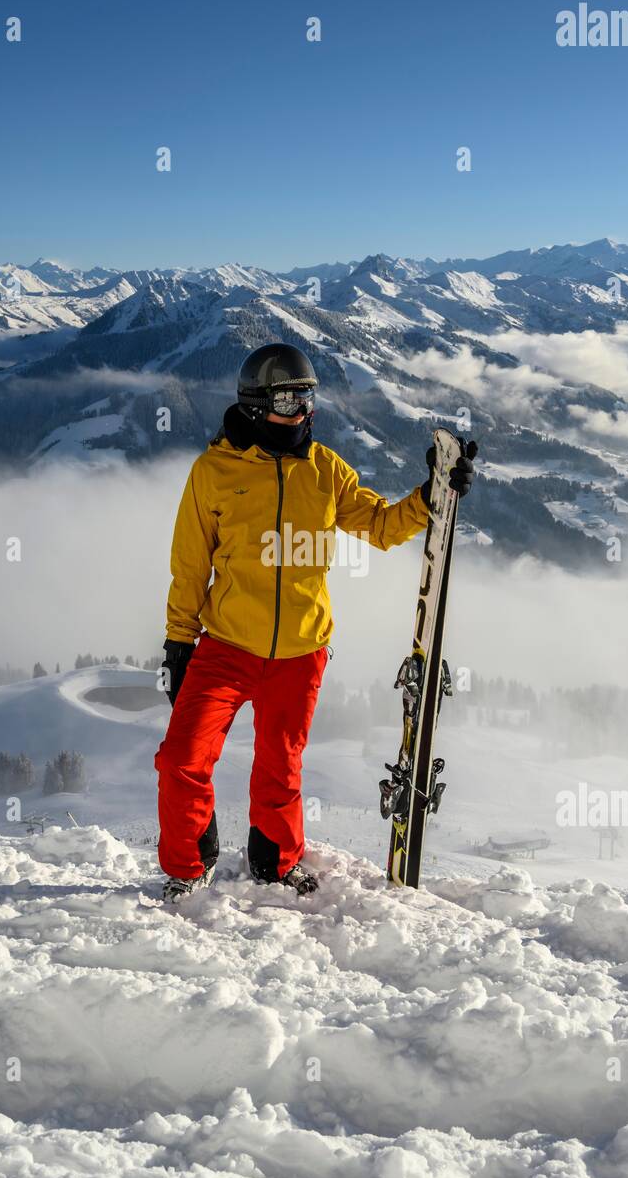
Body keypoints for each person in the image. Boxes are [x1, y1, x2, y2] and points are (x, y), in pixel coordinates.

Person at [154, 342, 474, 901]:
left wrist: (431, 496)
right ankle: (188, 866)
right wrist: (180, 641)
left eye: (307, 396)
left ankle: (274, 864)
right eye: (286, 398)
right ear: (255, 404)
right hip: (226, 647)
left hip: (301, 651)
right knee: (181, 759)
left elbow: (379, 525)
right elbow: (190, 562)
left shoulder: (325, 471)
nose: (300, 410)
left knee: (280, 768)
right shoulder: (214, 472)